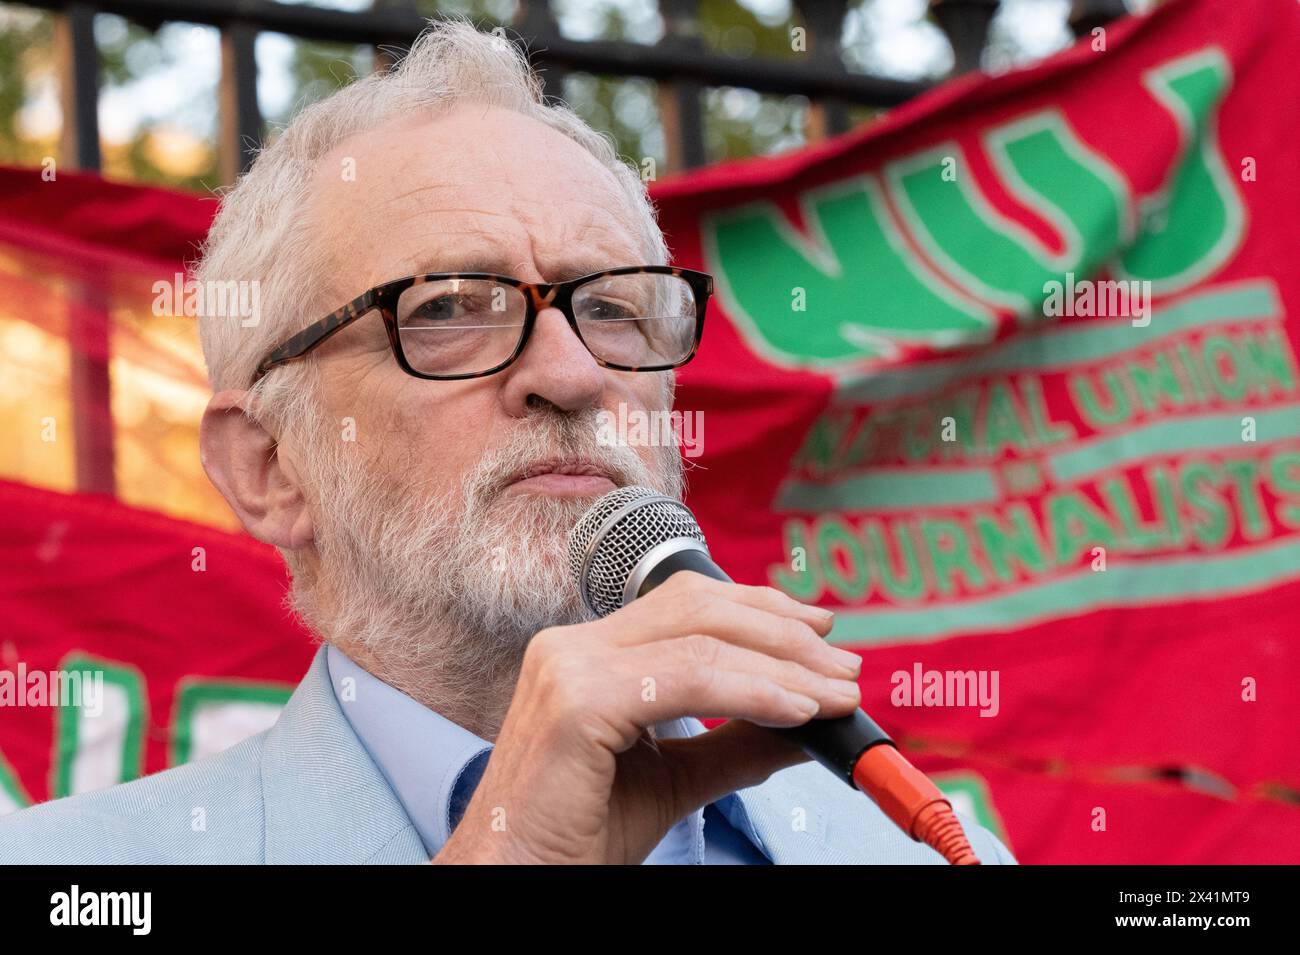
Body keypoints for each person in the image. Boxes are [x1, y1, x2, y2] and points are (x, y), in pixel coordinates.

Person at [0, 18, 1014, 865]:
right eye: (448, 307)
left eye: (616, 308)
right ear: (268, 468)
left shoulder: (917, 847)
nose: (573, 374)